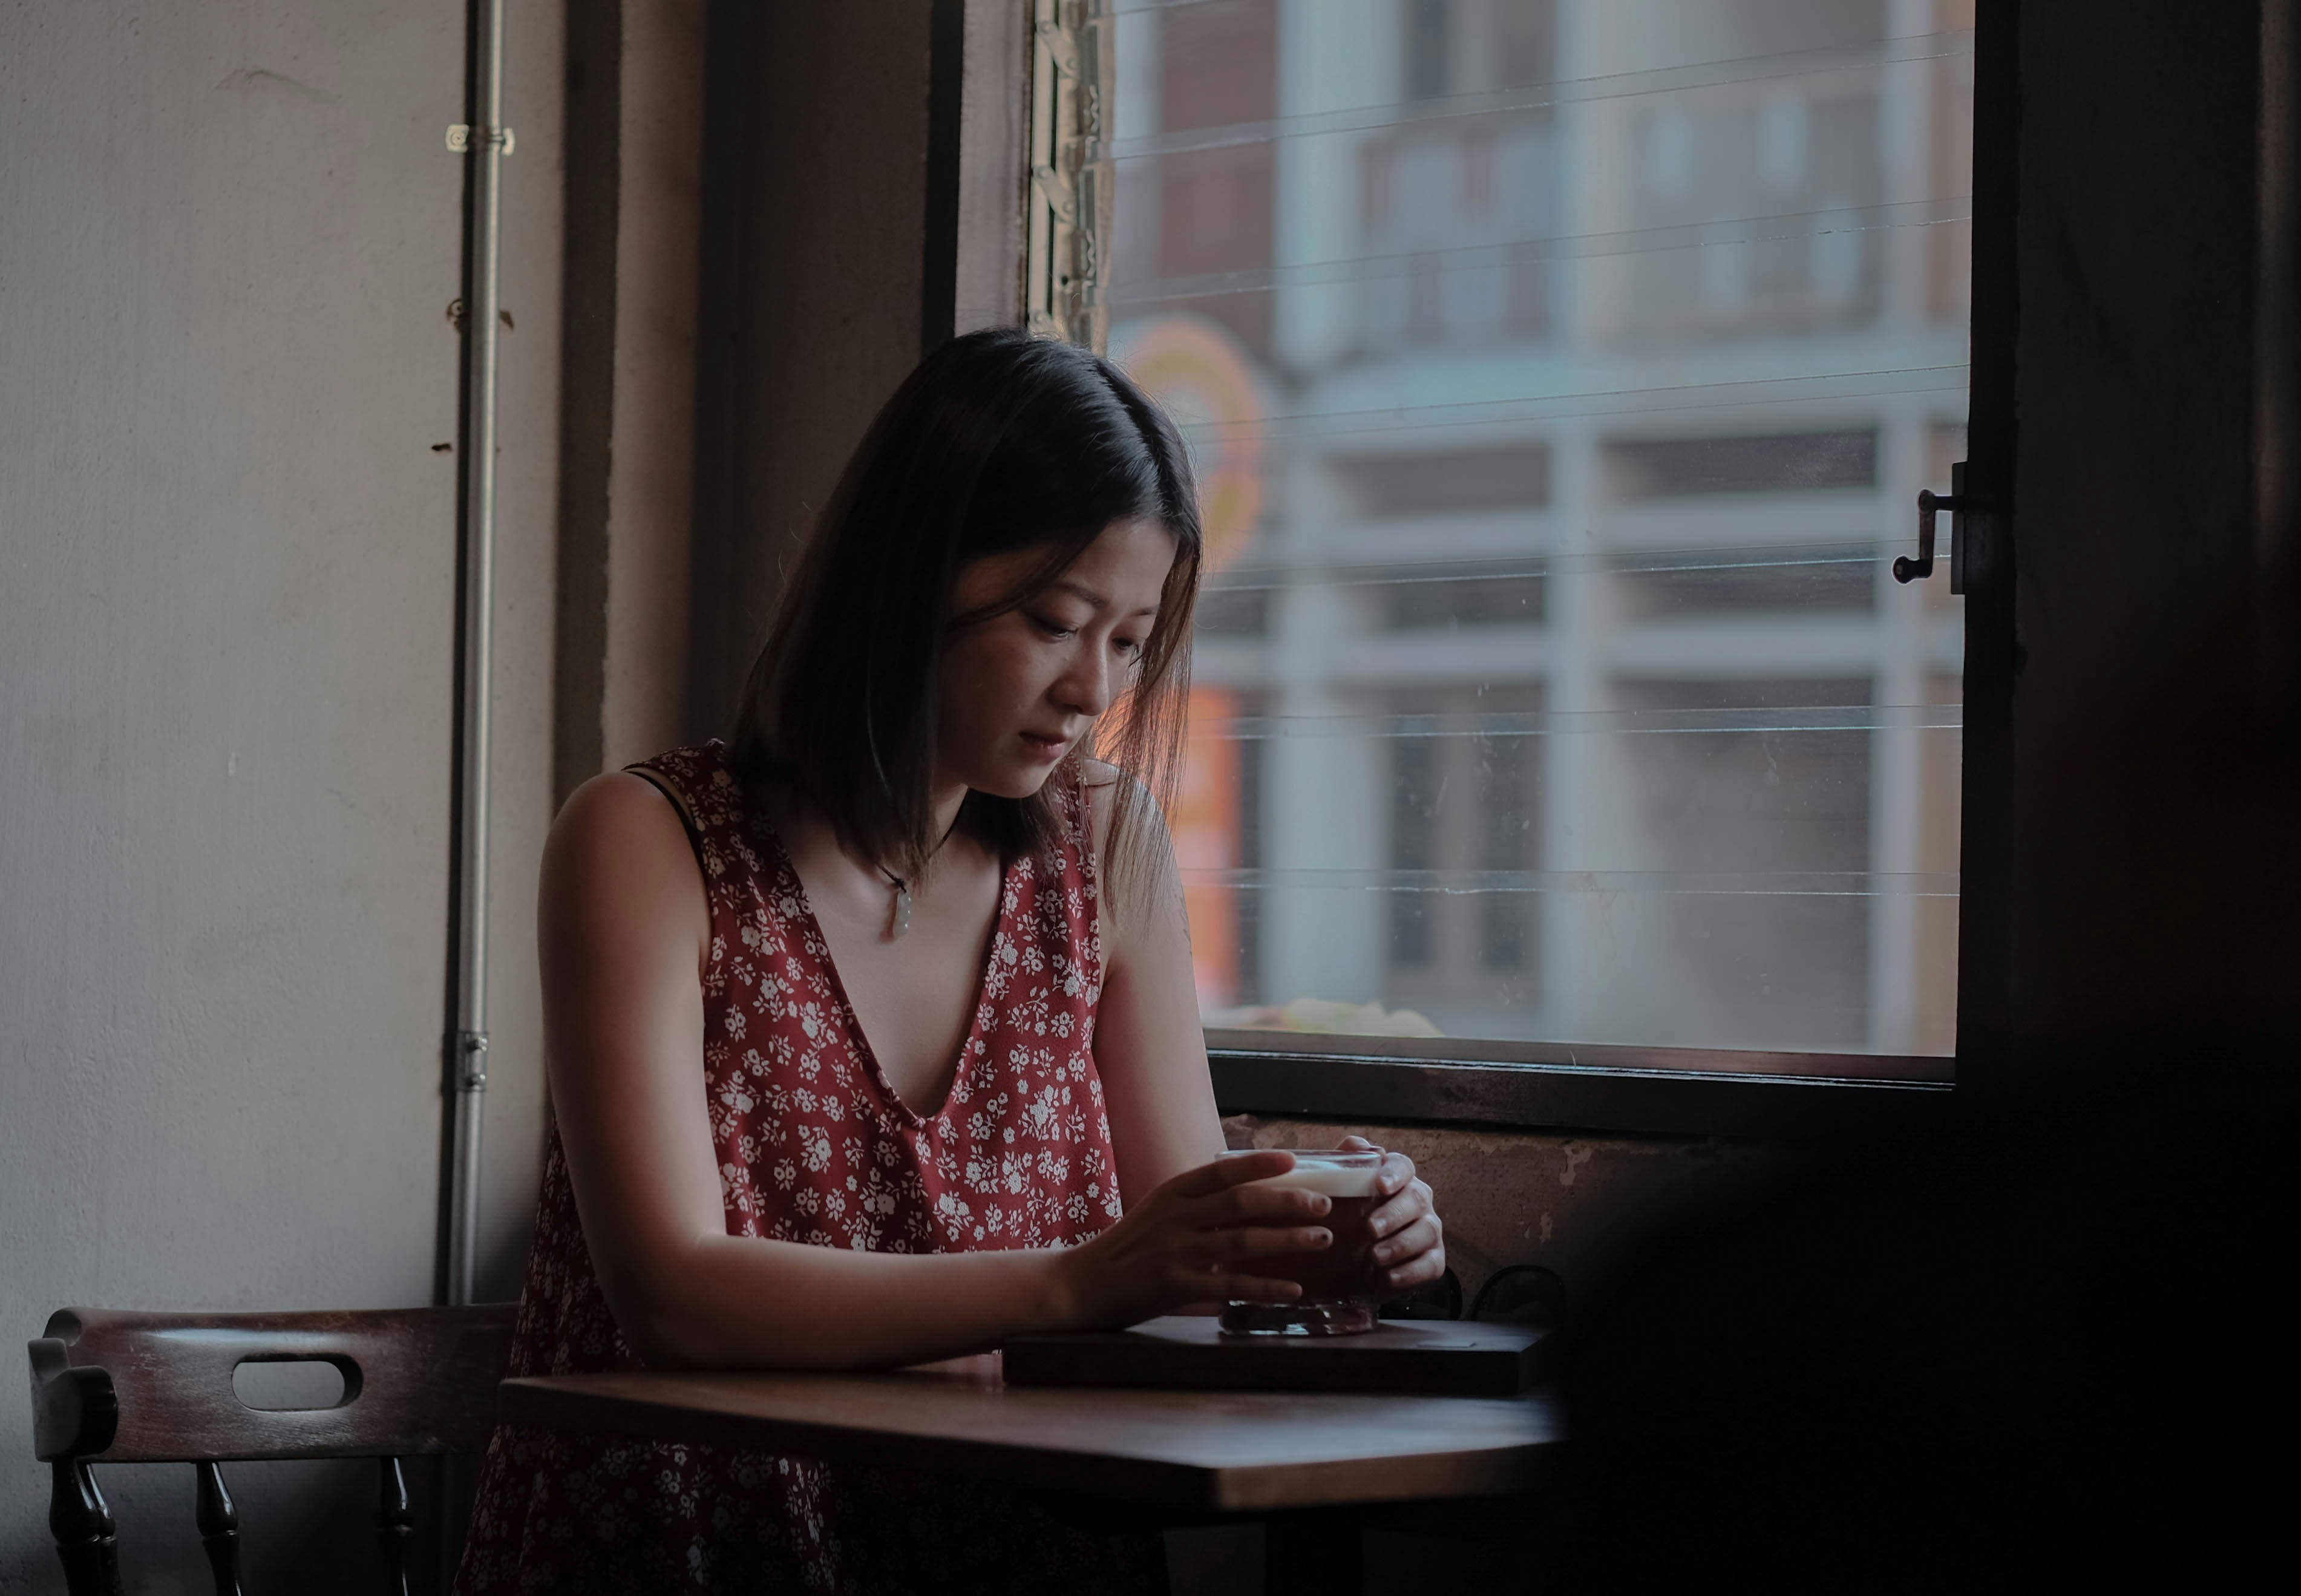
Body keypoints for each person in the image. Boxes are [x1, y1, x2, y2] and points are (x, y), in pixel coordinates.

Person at [456, 329, 1445, 1594]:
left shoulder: (1102, 845)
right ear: (909, 576)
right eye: (1053, 621)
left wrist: (1337, 1233)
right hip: (694, 1526)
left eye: (1133, 640)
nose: (1094, 686)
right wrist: (1083, 1279)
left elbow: (1190, 1245)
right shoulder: (649, 841)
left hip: (1000, 1526)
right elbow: (675, 1294)